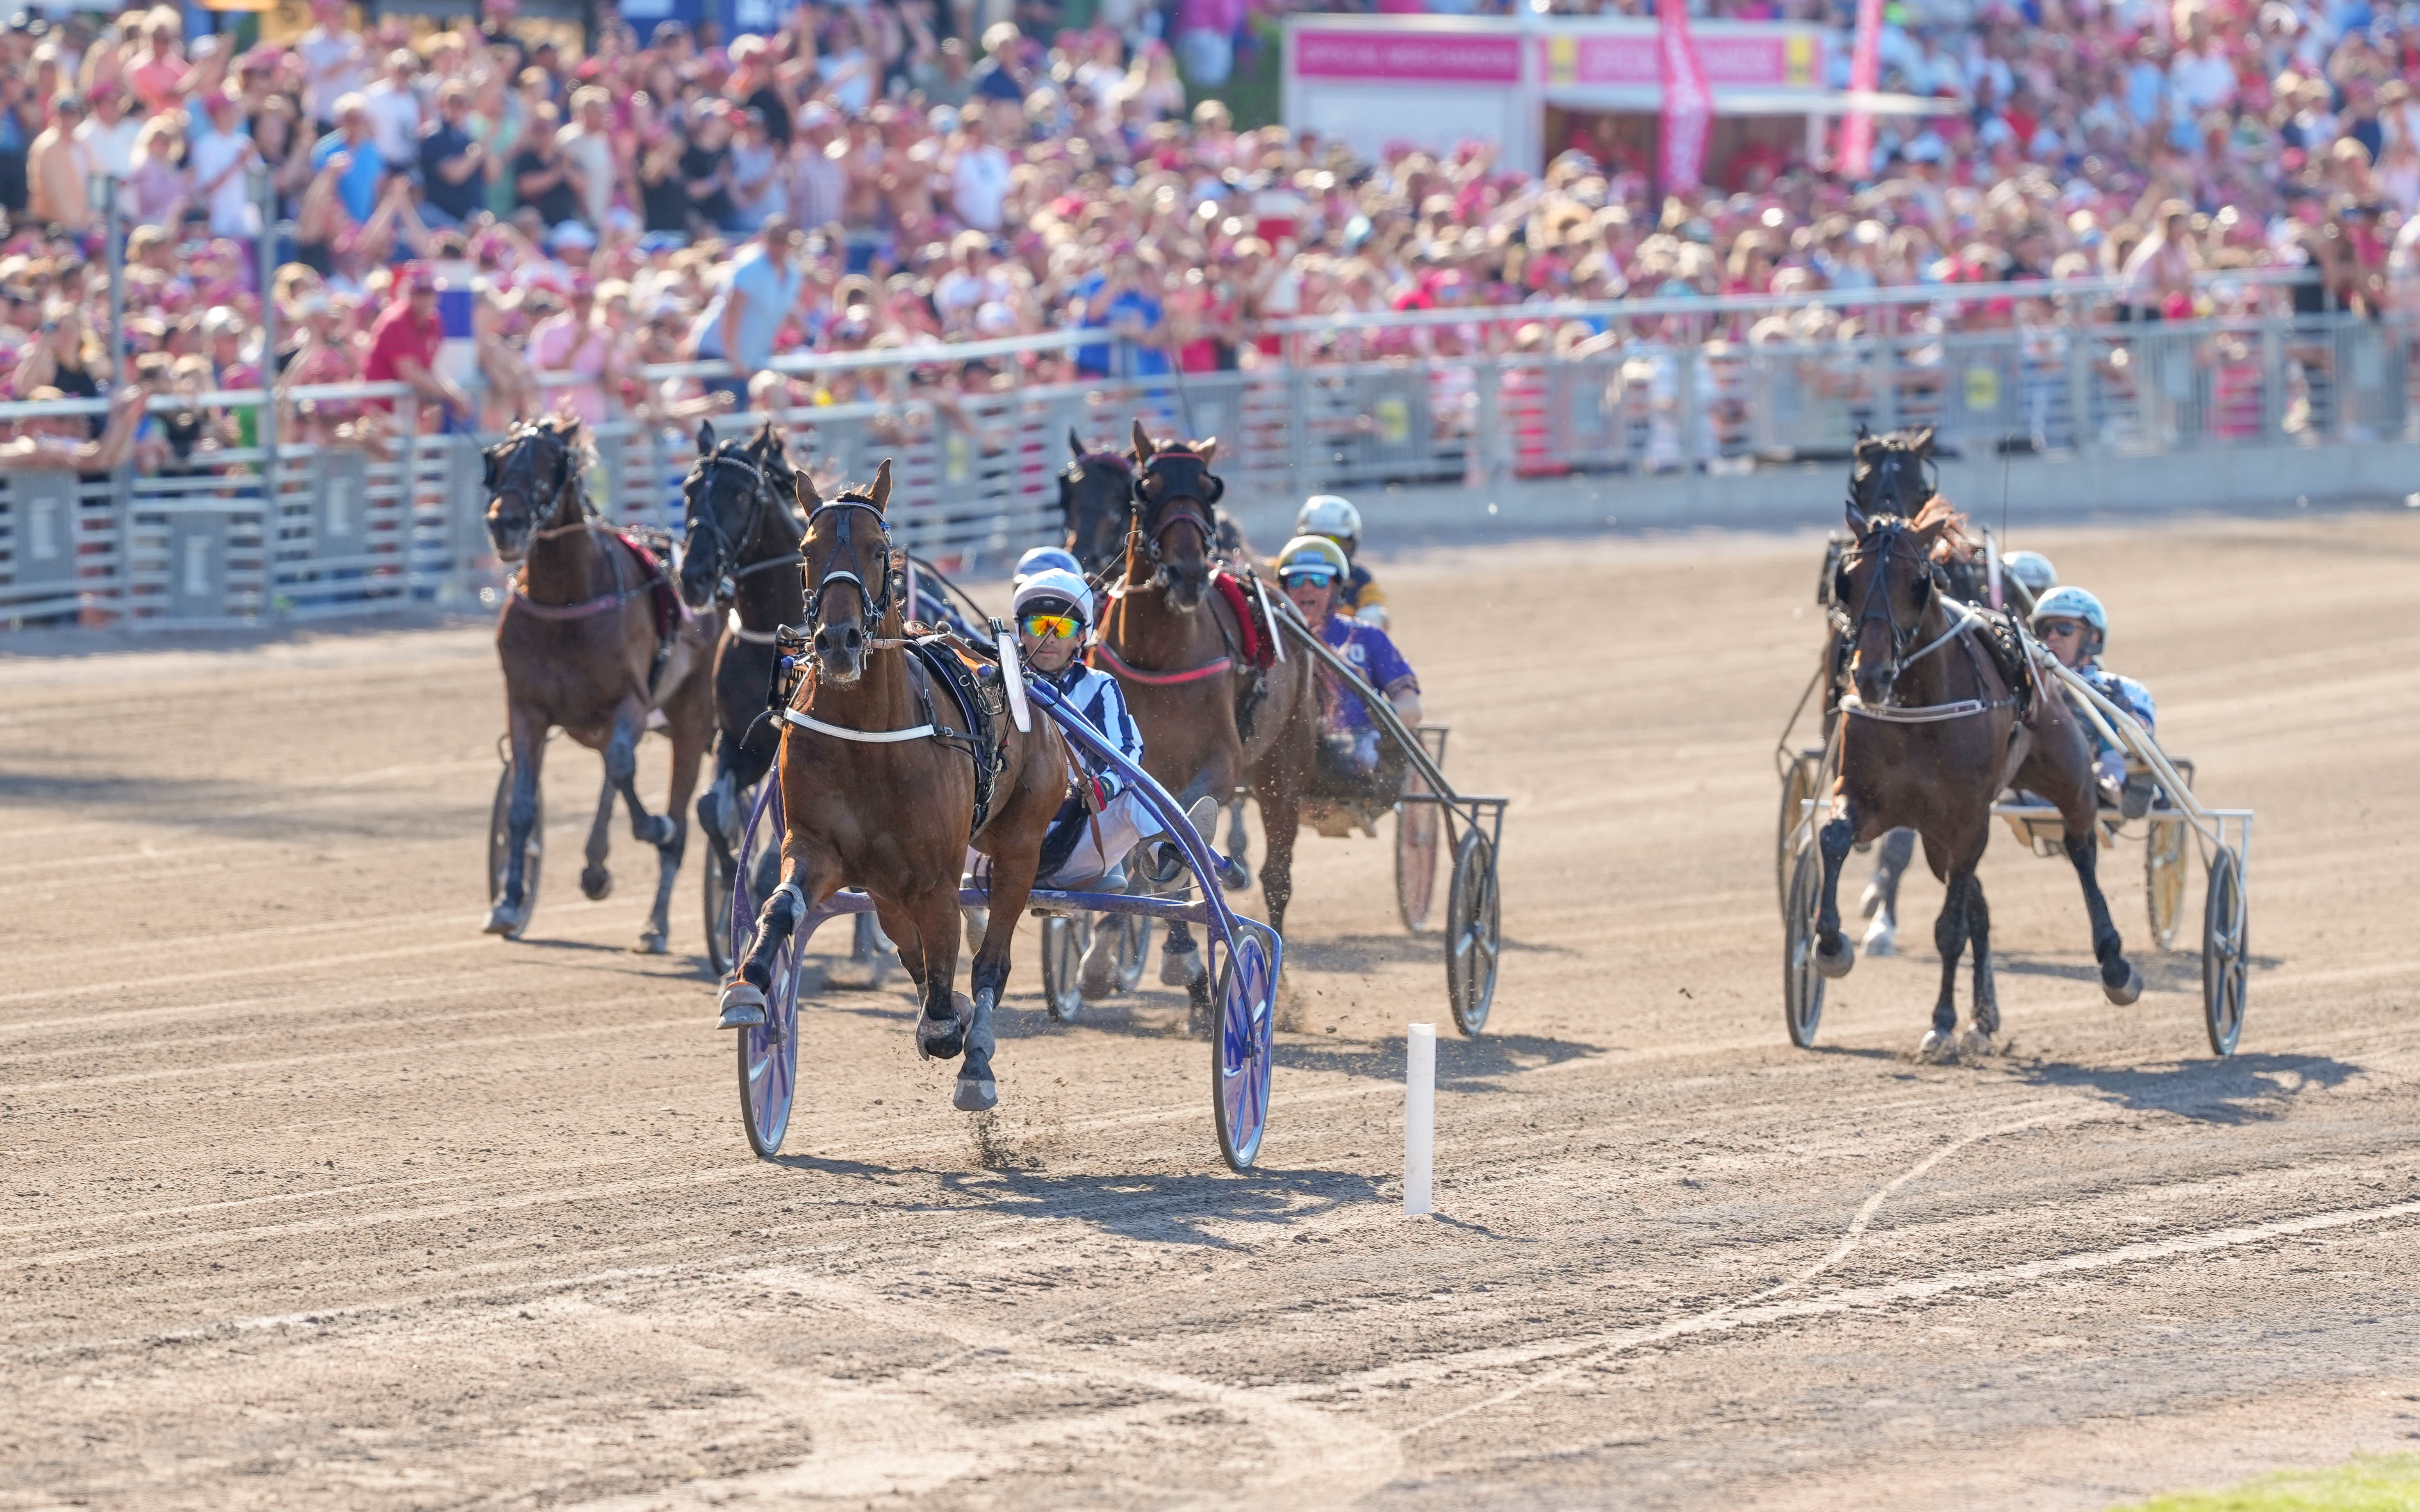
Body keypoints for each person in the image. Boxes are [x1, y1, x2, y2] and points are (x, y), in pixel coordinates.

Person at [1015, 568, 1209, 923]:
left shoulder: (1100, 686)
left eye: (1062, 627)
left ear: (1081, 637)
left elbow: (1127, 753)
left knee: (1137, 791)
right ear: (1021, 631)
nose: (1049, 637)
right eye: (1038, 625)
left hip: (1078, 846)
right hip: (1000, 848)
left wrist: (1105, 786)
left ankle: (1171, 857)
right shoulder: (997, 683)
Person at [1275, 535, 1420, 794]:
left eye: (1319, 580)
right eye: (1296, 580)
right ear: (1284, 588)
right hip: (1286, 749)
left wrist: (1381, 715)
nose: (1306, 588)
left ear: (1336, 588)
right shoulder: (1270, 639)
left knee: (1359, 756)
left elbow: (1412, 709)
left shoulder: (1368, 637)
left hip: (1358, 747)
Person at [2034, 584, 2158, 816]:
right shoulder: (2030, 685)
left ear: (2093, 637)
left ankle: (2124, 789)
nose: (2052, 637)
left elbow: (2146, 737)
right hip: (2038, 782)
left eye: (2064, 629)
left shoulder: (2123, 688)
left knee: (2119, 717)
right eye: (2045, 629)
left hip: (2104, 785)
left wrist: (2124, 714)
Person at [1294, 494, 1388, 628]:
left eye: (1335, 541)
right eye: (1316, 539)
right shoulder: (1284, 569)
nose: (1325, 548)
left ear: (1352, 542)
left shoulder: (1359, 579)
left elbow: (1378, 613)